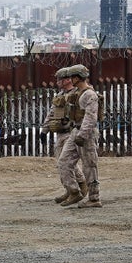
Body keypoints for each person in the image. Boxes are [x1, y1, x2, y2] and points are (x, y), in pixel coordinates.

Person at [57, 64, 102, 208]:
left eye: (72, 77)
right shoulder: (77, 93)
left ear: (77, 77)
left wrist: (82, 135)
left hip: (86, 133)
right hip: (75, 130)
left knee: (89, 165)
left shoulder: (89, 94)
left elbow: (90, 117)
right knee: (63, 161)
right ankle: (74, 191)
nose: (70, 79)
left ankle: (94, 198)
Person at [42, 67, 86, 204]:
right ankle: (70, 189)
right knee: (61, 163)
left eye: (59, 79)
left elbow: (81, 115)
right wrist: (44, 130)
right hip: (60, 133)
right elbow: (52, 113)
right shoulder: (60, 95)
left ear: (68, 80)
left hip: (71, 132)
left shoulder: (77, 94)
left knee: (66, 162)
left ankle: (79, 188)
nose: (57, 82)